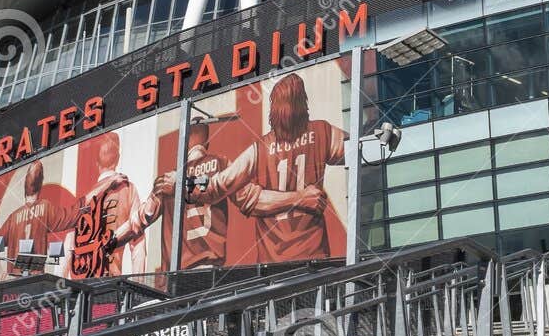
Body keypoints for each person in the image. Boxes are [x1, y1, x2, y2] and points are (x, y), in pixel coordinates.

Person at [196, 72, 346, 263]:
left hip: (271, 264)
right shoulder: (323, 132)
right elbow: (360, 149)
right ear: (303, 103)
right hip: (314, 257)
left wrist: (188, 182)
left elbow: (217, 184)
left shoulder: (259, 149)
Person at [110, 122, 230, 269]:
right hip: (211, 268)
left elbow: (141, 218)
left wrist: (114, 238)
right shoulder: (221, 164)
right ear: (207, 144)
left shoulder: (167, 180)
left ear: (184, 145)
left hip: (176, 275)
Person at [70, 130, 146, 278]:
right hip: (112, 282)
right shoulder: (128, 189)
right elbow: (138, 242)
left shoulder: (84, 199)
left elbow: (71, 246)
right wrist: (139, 285)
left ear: (96, 162)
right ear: (118, 158)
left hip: (82, 284)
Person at [0, 160, 76, 276]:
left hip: (15, 278)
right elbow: (71, 216)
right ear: (41, 182)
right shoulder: (46, 207)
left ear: (24, 183)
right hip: (34, 279)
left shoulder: (13, 217)